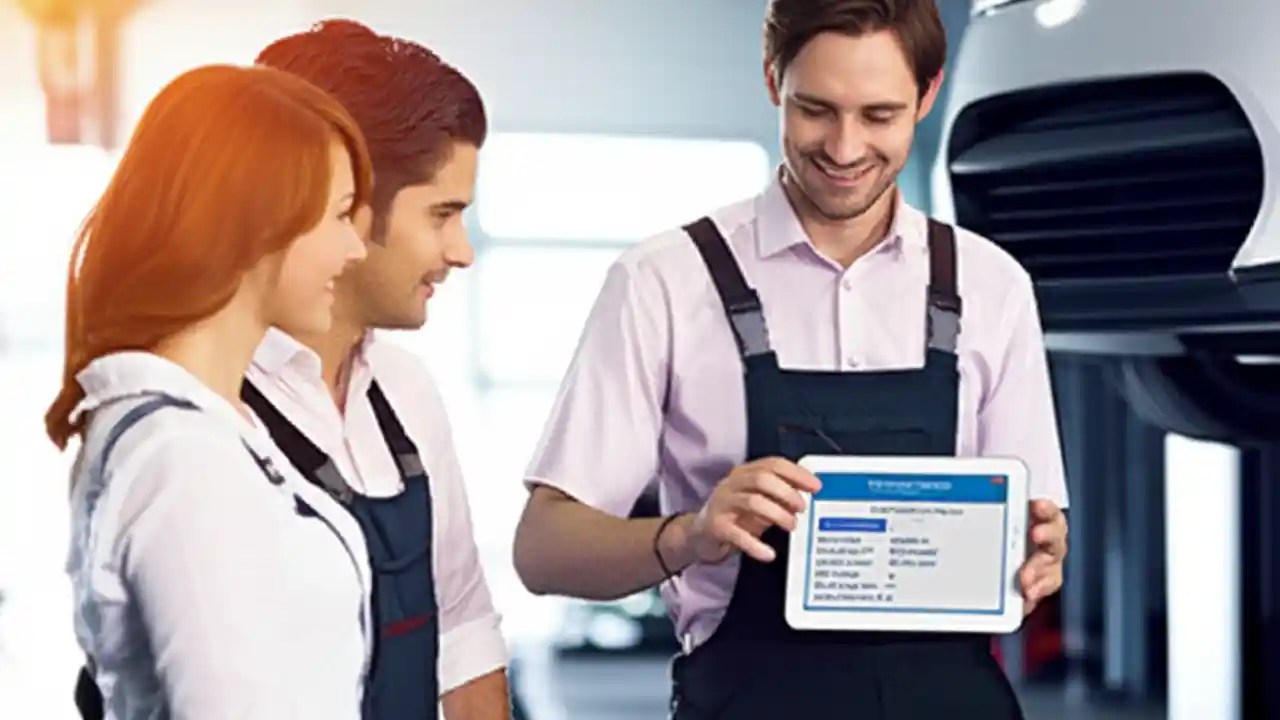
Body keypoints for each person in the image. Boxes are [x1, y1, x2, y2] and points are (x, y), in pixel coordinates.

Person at [512, 1, 1070, 718]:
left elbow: (1033, 534)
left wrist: (1039, 559)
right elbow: (542, 550)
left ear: (928, 96)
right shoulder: (664, 281)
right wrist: (689, 534)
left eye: (878, 115)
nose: (843, 148)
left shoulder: (991, 286)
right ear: (773, 79)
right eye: (816, 109)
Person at [48, 63, 373, 717]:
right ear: (261, 220)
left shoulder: (216, 427)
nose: (356, 249)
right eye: (340, 216)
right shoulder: (182, 454)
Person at [246, 19, 510, 719]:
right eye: (442, 214)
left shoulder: (407, 393)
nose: (461, 251)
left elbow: (464, 635)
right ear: (343, 200)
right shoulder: (200, 406)